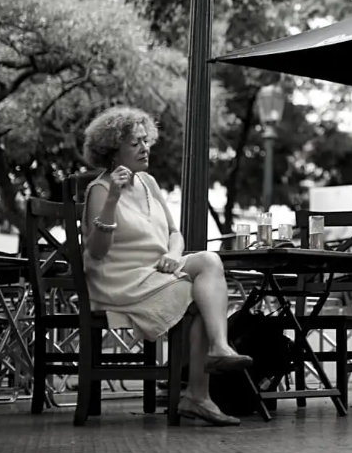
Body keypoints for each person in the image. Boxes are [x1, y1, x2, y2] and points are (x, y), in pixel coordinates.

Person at [81, 106, 252, 426]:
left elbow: (175, 233)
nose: (145, 148)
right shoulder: (100, 190)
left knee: (210, 261)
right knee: (202, 298)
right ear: (112, 150)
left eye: (146, 140)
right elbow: (97, 252)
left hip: (156, 272)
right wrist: (114, 198)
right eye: (135, 143)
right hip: (120, 281)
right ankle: (198, 395)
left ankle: (218, 350)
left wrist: (174, 253)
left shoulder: (148, 182)